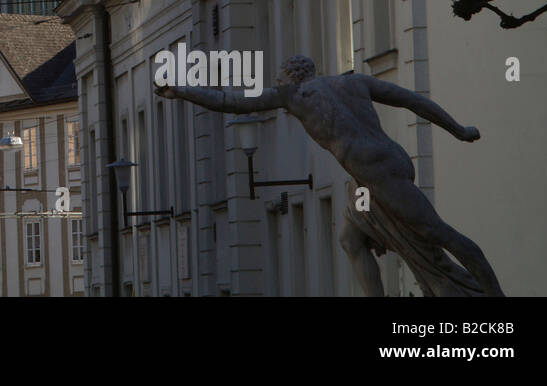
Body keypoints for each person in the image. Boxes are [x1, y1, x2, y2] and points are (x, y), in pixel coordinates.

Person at [155, 54, 503, 297]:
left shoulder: (291, 95)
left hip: (378, 176)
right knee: (350, 238)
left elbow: (230, 101)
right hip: (385, 165)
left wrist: (181, 90)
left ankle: (494, 297)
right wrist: (458, 129)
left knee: (439, 235)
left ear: (289, 77)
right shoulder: (353, 82)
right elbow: (413, 101)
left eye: (279, 77)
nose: (277, 82)